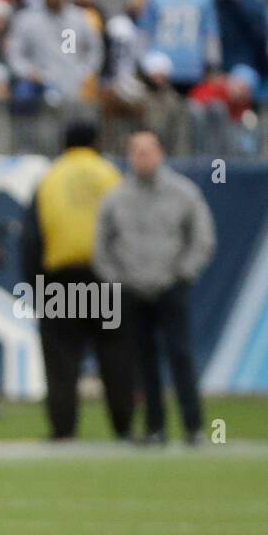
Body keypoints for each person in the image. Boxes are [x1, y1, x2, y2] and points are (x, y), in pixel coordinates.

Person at [94, 130, 215, 445]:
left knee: (180, 355)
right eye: (135, 151)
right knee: (143, 361)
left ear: (160, 153)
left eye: (147, 151)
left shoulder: (183, 192)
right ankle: (154, 427)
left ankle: (194, 426)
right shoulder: (116, 196)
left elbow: (201, 239)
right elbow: (101, 247)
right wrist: (117, 280)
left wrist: (182, 274)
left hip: (170, 286)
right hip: (133, 289)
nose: (142, 157)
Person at [20, 120, 132, 440]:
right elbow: (127, 229)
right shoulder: (111, 174)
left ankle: (63, 429)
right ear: (96, 142)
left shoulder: (50, 178)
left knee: (61, 360)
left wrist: (36, 285)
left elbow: (32, 238)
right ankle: (123, 427)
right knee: (115, 355)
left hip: (60, 279)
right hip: (106, 277)